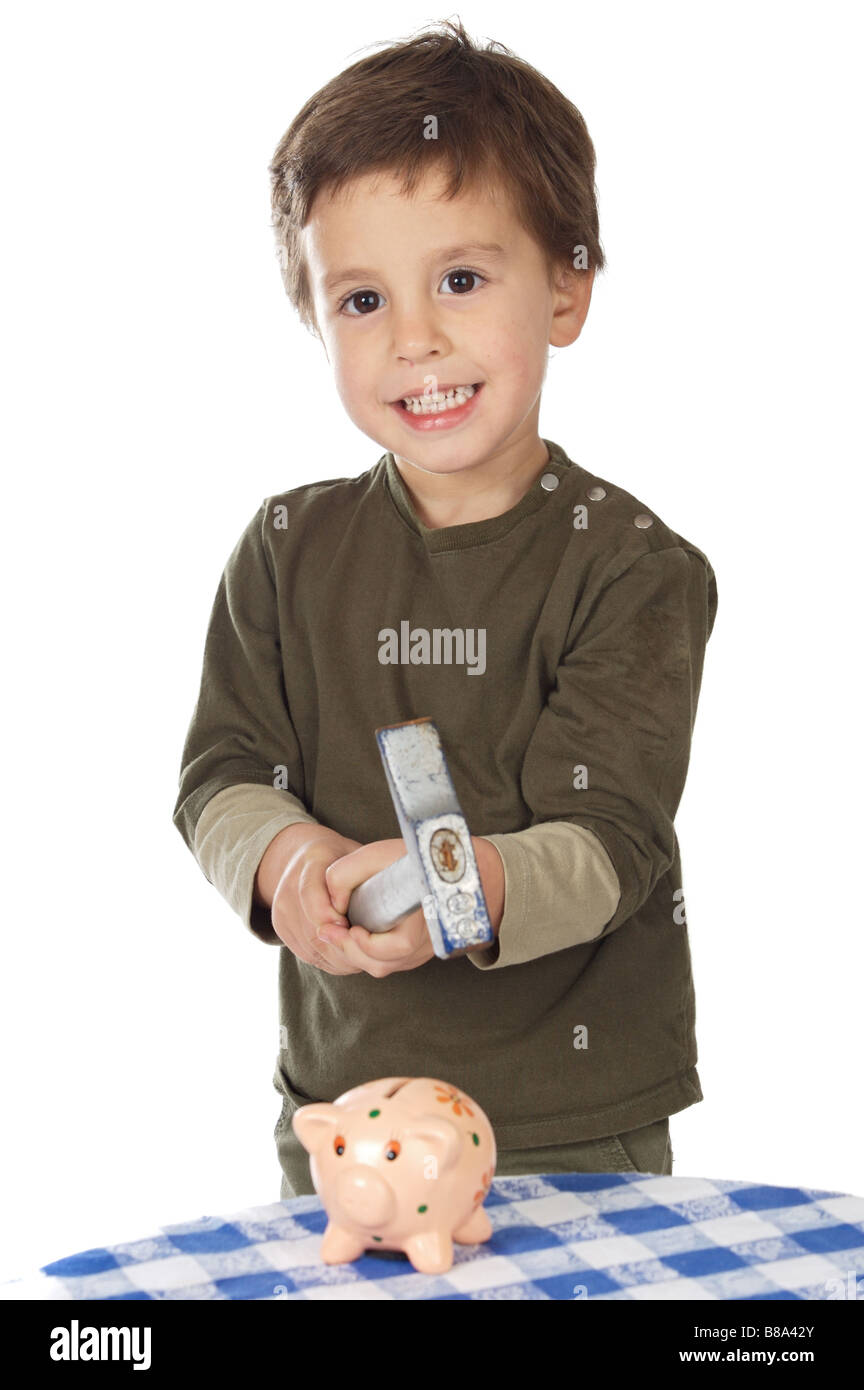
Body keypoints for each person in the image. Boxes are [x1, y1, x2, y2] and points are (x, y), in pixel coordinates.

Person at [172, 19, 717, 1200]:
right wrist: (292, 861)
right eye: (361, 299)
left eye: (461, 280)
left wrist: (452, 895)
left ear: (567, 285)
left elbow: (609, 847)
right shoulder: (282, 550)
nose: (415, 336)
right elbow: (220, 777)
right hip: (347, 1117)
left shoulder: (631, 569)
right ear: (314, 319)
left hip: (575, 1126)